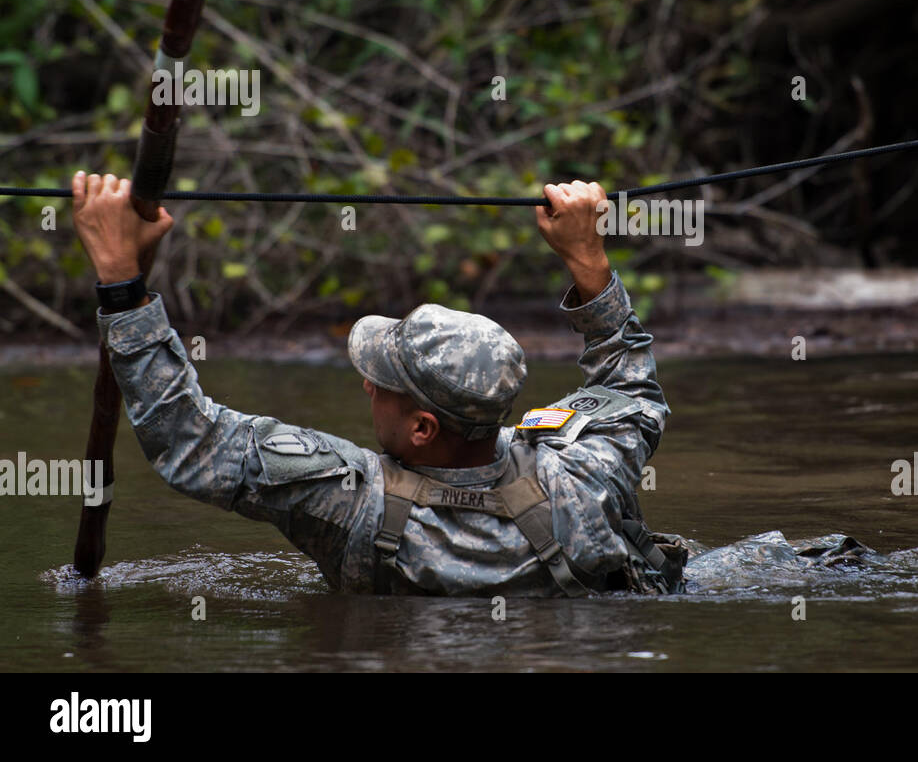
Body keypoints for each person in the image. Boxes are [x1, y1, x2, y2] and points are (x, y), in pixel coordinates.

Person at [70, 170, 686, 596]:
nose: (366, 386)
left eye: (381, 381)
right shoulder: (585, 477)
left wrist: (121, 280)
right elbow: (631, 393)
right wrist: (589, 260)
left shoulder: (347, 502)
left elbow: (189, 440)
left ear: (423, 428)